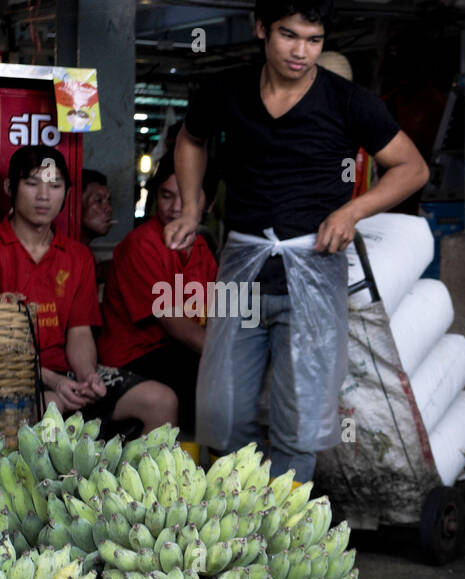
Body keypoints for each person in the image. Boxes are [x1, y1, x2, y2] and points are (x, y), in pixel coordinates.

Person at [165, 0, 428, 480]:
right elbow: (191, 138)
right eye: (289, 35)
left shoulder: (348, 102)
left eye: (314, 40)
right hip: (243, 275)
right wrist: (190, 204)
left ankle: (284, 539)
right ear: (261, 29)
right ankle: (235, 526)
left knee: (300, 422)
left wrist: (352, 211)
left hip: (314, 272)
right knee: (221, 416)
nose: (301, 52)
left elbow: (412, 168)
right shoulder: (226, 90)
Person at [0, 146, 177, 431]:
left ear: (67, 193)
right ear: (10, 187)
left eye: (55, 185)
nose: (44, 196)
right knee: (46, 406)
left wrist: (87, 376)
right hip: (11, 374)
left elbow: (80, 331)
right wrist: (55, 382)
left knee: (161, 401)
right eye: (32, 184)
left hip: (65, 373)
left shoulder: (77, 256)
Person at [98, 152, 220, 433]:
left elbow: (217, 314)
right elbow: (174, 324)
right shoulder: (142, 244)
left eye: (188, 198)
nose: (177, 207)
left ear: (209, 204)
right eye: (166, 196)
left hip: (175, 352)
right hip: (132, 357)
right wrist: (222, 356)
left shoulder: (202, 249)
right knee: (201, 372)